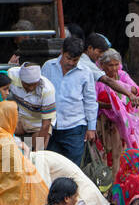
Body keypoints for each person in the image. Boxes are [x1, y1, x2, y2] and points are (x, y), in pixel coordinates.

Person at [39, 37, 98, 166]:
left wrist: (91, 128)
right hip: (50, 126)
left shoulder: (85, 72)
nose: (71, 63)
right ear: (62, 52)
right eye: (68, 58)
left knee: (73, 168)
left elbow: (90, 100)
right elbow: (40, 93)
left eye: (75, 60)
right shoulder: (48, 66)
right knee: (49, 165)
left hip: (75, 127)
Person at [94, 47, 139, 174]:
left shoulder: (122, 75)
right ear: (102, 65)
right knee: (107, 151)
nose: (114, 68)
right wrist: (110, 105)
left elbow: (137, 90)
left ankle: (120, 181)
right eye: (110, 65)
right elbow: (92, 101)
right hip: (104, 121)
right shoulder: (97, 78)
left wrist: (122, 91)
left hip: (121, 121)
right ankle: (107, 182)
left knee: (120, 152)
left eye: (116, 65)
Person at [6, 61, 56, 149]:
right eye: (27, 85)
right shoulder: (11, 75)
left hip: (39, 124)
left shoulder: (47, 90)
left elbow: (45, 125)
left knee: (36, 153)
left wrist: (38, 150)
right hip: (21, 118)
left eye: (34, 84)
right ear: (20, 79)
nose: (31, 88)